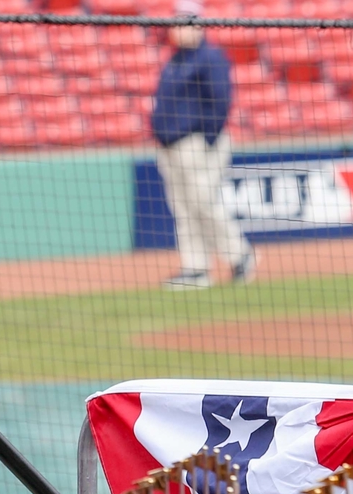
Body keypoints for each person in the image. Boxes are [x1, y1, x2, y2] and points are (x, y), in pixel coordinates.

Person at [151, 0, 255, 290]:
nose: (178, 29)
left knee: (203, 203)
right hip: (171, 146)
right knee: (183, 208)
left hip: (197, 144)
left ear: (198, 25)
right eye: (176, 23)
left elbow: (220, 100)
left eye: (184, 23)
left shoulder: (210, 56)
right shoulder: (175, 59)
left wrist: (206, 139)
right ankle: (196, 268)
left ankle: (240, 255)